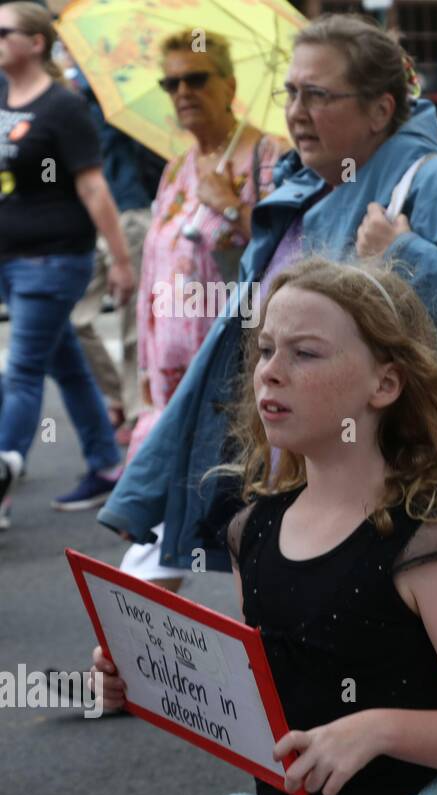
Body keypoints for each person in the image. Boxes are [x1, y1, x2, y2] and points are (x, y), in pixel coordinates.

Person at [92, 257, 437, 795]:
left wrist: (376, 729)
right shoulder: (252, 530)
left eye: (306, 353)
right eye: (266, 349)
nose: (270, 372)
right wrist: (139, 678)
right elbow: (266, 694)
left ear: (385, 384)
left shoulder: (427, 545)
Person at [98, 13, 437, 575]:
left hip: (406, 506)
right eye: (290, 92)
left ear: (380, 109)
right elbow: (232, 349)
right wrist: (152, 484)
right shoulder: (305, 190)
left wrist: (408, 254)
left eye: (317, 94)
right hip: (296, 495)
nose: (295, 111)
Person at [116, 29, 287, 592]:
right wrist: (143, 370)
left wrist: (234, 209)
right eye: (171, 82)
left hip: (230, 374)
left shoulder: (266, 158)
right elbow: (154, 279)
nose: (182, 91)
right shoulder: (176, 167)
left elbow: (281, 266)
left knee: (245, 512)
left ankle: (141, 646)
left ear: (230, 84)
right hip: (169, 378)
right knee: (189, 516)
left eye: (196, 78)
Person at [0, 2, 135, 519]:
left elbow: (93, 186)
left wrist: (121, 262)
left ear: (35, 43)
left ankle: (5, 467)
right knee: (68, 367)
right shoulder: (4, 96)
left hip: (54, 261)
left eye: (5, 31)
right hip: (11, 260)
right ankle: (105, 463)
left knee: (24, 369)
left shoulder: (63, 106)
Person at [67, 61, 164, 446]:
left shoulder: (128, 93)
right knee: (75, 319)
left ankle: (134, 412)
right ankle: (115, 395)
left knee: (130, 322)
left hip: (129, 211)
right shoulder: (69, 95)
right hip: (87, 218)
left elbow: (152, 152)